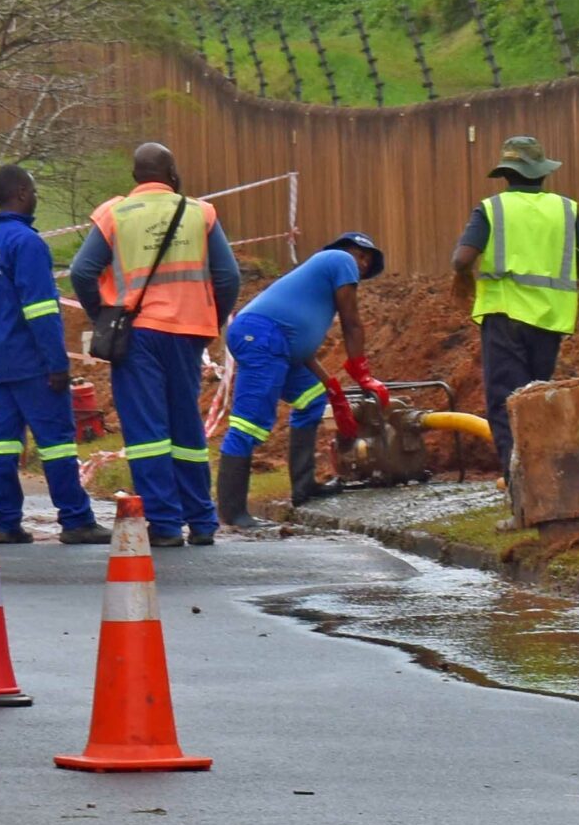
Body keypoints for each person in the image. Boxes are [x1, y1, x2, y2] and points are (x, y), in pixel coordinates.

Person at [68, 142, 240, 548]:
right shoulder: (201, 213)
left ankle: (164, 526)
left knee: (148, 432)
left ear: (135, 177)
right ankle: (201, 521)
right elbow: (229, 277)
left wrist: (104, 316)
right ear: (173, 172)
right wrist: (208, 321)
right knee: (186, 428)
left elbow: (82, 271)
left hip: (138, 335)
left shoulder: (114, 214)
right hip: (187, 333)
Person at [0, 165, 110, 545]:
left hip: (0, 363)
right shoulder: (27, 244)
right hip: (33, 363)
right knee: (57, 440)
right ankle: (76, 520)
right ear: (21, 193)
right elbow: (41, 310)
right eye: (34, 190)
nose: (37, 197)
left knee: (1, 442)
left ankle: (5, 522)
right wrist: (56, 362)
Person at [451, 136, 579, 499]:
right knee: (536, 401)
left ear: (506, 174)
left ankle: (521, 489)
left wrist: (463, 277)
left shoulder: (492, 209)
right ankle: (545, 483)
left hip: (504, 317)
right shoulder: (566, 210)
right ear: (542, 172)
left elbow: (461, 258)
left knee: (507, 402)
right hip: (549, 321)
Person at [214, 234, 390, 528]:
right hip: (262, 337)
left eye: (367, 263)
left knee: (311, 399)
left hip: (277, 343)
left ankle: (304, 486)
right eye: (362, 256)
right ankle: (233, 512)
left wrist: (331, 387)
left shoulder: (314, 289)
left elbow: (301, 348)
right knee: (248, 424)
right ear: (348, 251)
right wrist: (362, 373)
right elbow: (352, 322)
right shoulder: (340, 260)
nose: (362, 265)